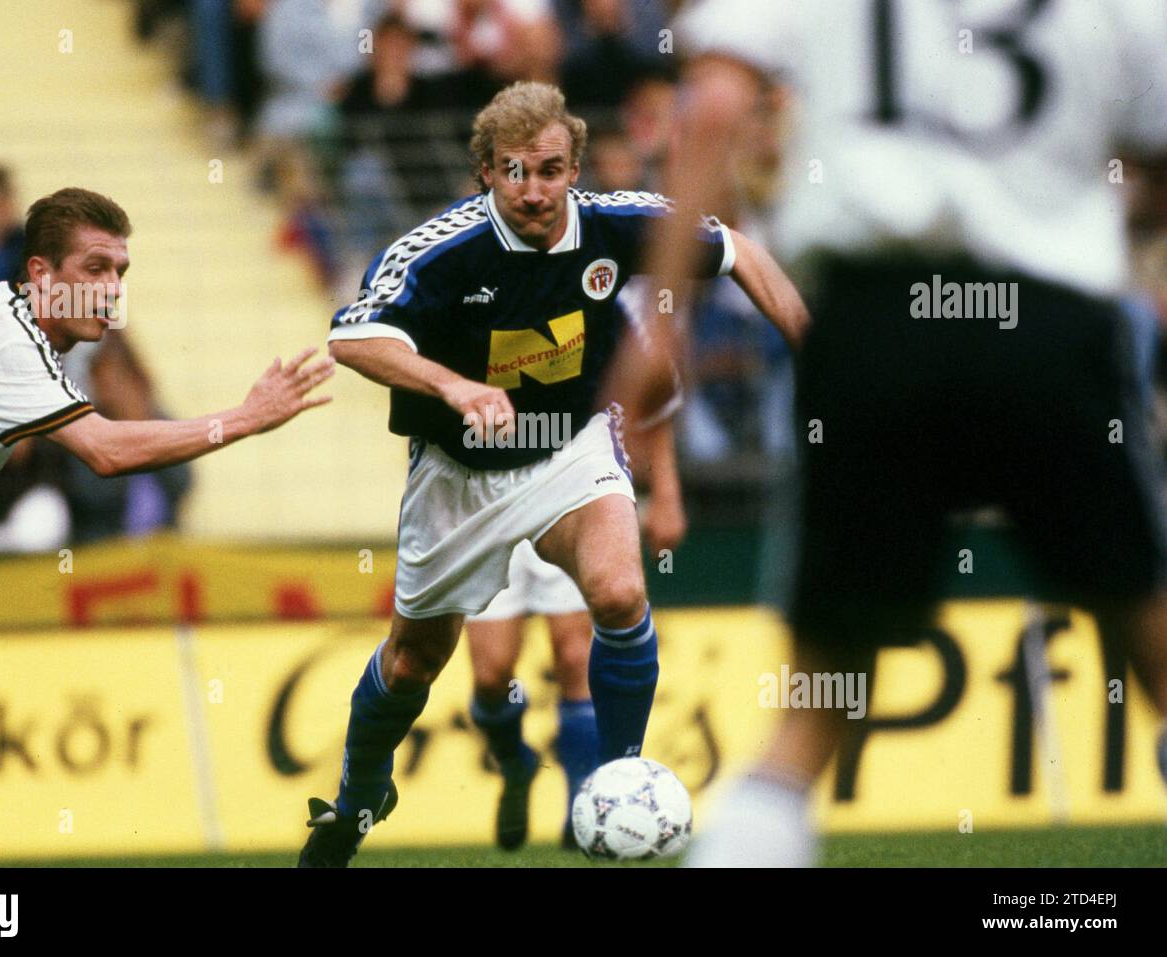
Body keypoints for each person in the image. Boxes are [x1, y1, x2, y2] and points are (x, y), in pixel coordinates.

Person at [621, 0, 1167, 866]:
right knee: (1154, 643)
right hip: (1053, 324)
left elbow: (716, 104)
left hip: (871, 320)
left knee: (810, 714)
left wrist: (665, 315)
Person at [299, 80, 807, 867]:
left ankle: (619, 779)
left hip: (569, 449)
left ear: (574, 169)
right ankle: (361, 793)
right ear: (485, 174)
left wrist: (818, 350)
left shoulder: (618, 224)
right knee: (412, 663)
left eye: (548, 169)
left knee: (619, 592)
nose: (531, 190)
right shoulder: (441, 251)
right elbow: (353, 340)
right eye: (512, 172)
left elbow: (743, 251)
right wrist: (455, 385)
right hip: (459, 476)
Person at [0, 187, 334, 867]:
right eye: (94, 269)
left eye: (120, 272)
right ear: (39, 274)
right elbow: (106, 451)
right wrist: (243, 418)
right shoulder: (3, 341)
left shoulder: (9, 323)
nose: (111, 289)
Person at [466, 410, 685, 851]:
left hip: (566, 482)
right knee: (492, 675)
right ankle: (515, 764)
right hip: (483, 488)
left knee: (573, 655)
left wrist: (665, 491)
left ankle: (585, 806)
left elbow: (655, 391)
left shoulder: (592, 340)